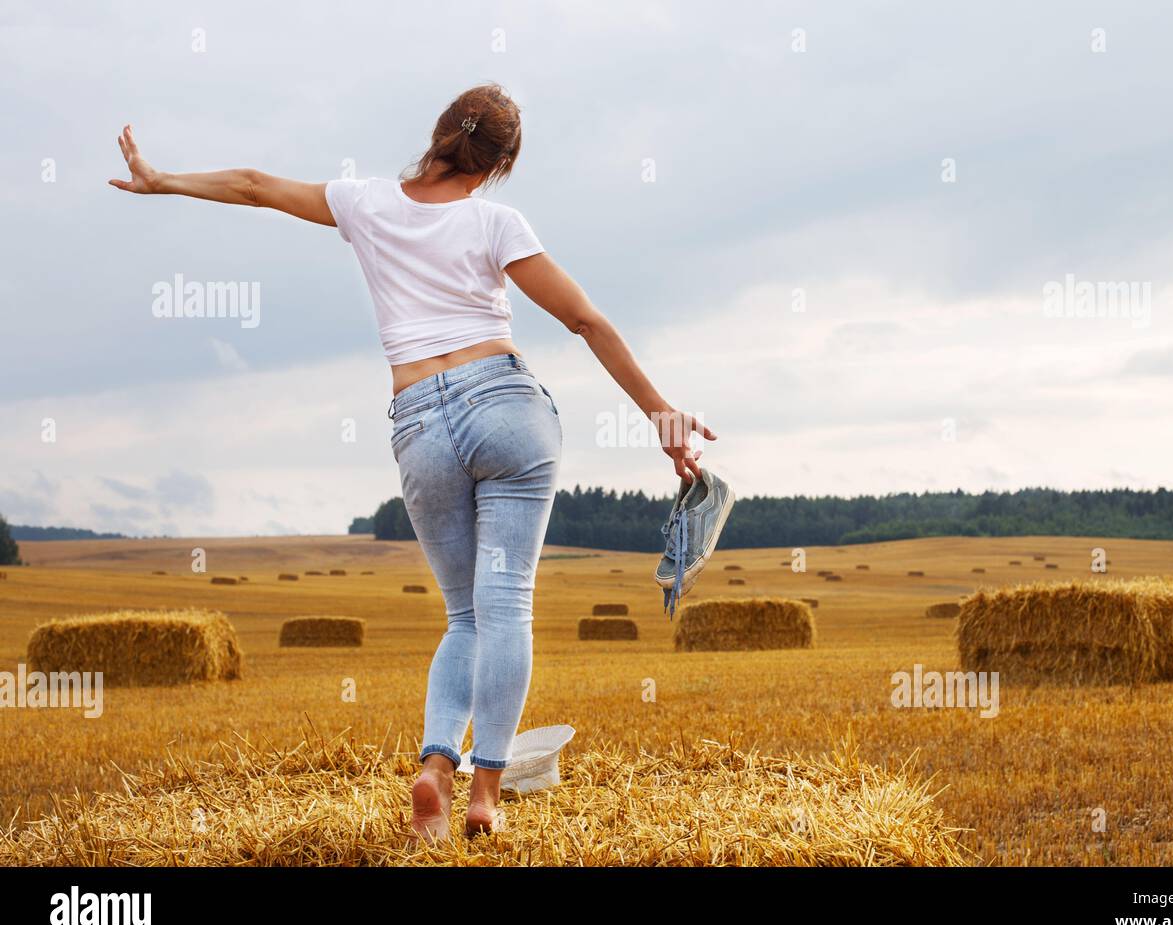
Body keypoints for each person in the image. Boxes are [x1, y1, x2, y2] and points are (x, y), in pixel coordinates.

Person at [109, 84, 717, 840]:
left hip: (420, 418)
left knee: (464, 616)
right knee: (506, 610)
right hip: (507, 410)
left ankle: (435, 767)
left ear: (437, 135)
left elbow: (257, 186)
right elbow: (584, 319)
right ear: (499, 164)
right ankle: (485, 793)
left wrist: (161, 180)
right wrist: (662, 415)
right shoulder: (497, 220)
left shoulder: (364, 202)